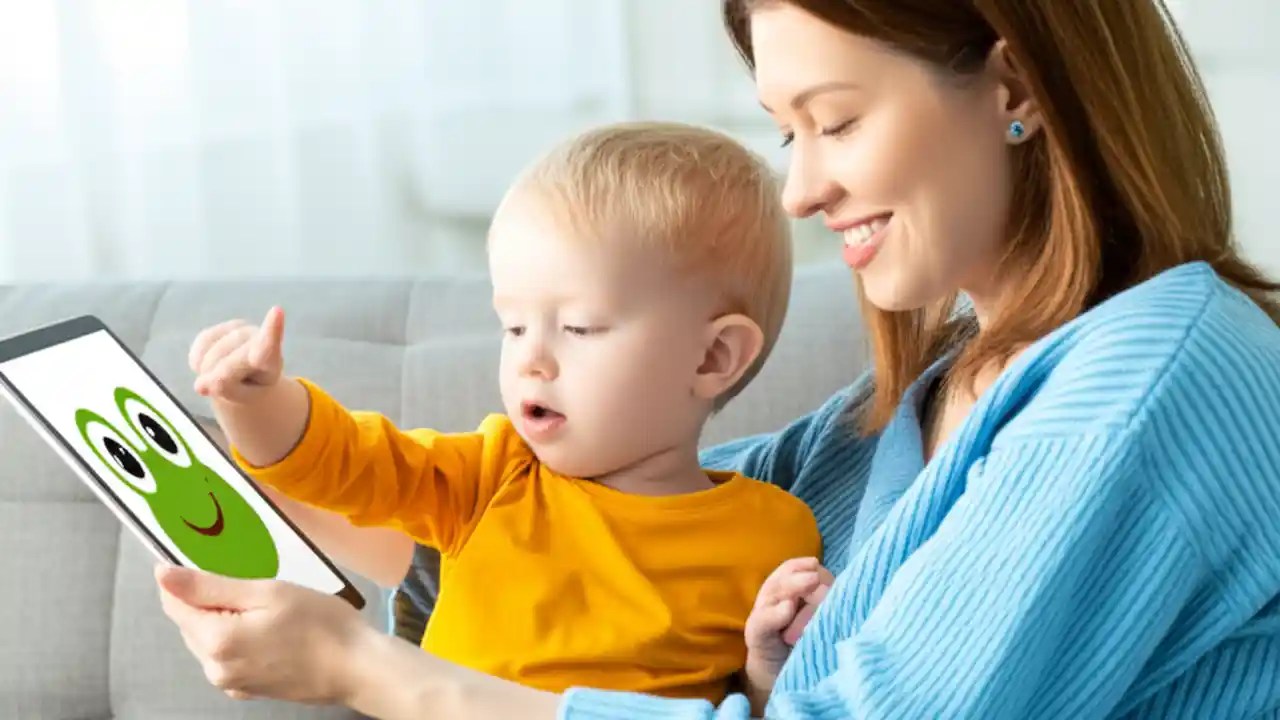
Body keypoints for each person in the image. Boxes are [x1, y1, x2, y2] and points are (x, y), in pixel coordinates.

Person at [154, 0, 1280, 718]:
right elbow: (572, 520)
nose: (797, 189)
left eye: (833, 121)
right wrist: (277, 458)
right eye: (786, 133)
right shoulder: (905, 409)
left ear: (1015, 86)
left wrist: (375, 678)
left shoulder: (1153, 381)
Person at [181, 120, 829, 709]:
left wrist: (767, 666)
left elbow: (753, 705)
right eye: (513, 327)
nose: (531, 361)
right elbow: (344, 464)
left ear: (713, 356)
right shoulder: (491, 474)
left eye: (577, 327)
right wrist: (257, 401)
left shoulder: (774, 536)